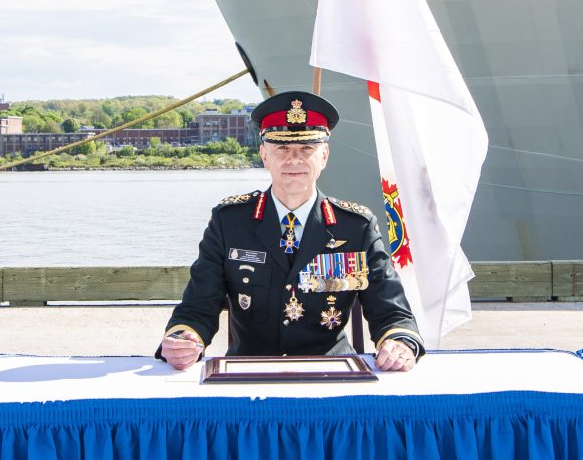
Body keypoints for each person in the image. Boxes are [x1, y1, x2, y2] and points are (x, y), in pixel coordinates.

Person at [158, 91, 425, 372]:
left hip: (332, 370)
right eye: (282, 148)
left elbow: (391, 310)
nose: (294, 159)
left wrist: (399, 342)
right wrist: (184, 339)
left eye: (307, 148)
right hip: (249, 370)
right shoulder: (230, 222)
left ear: (324, 156)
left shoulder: (356, 227)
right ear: (264, 155)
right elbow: (198, 305)